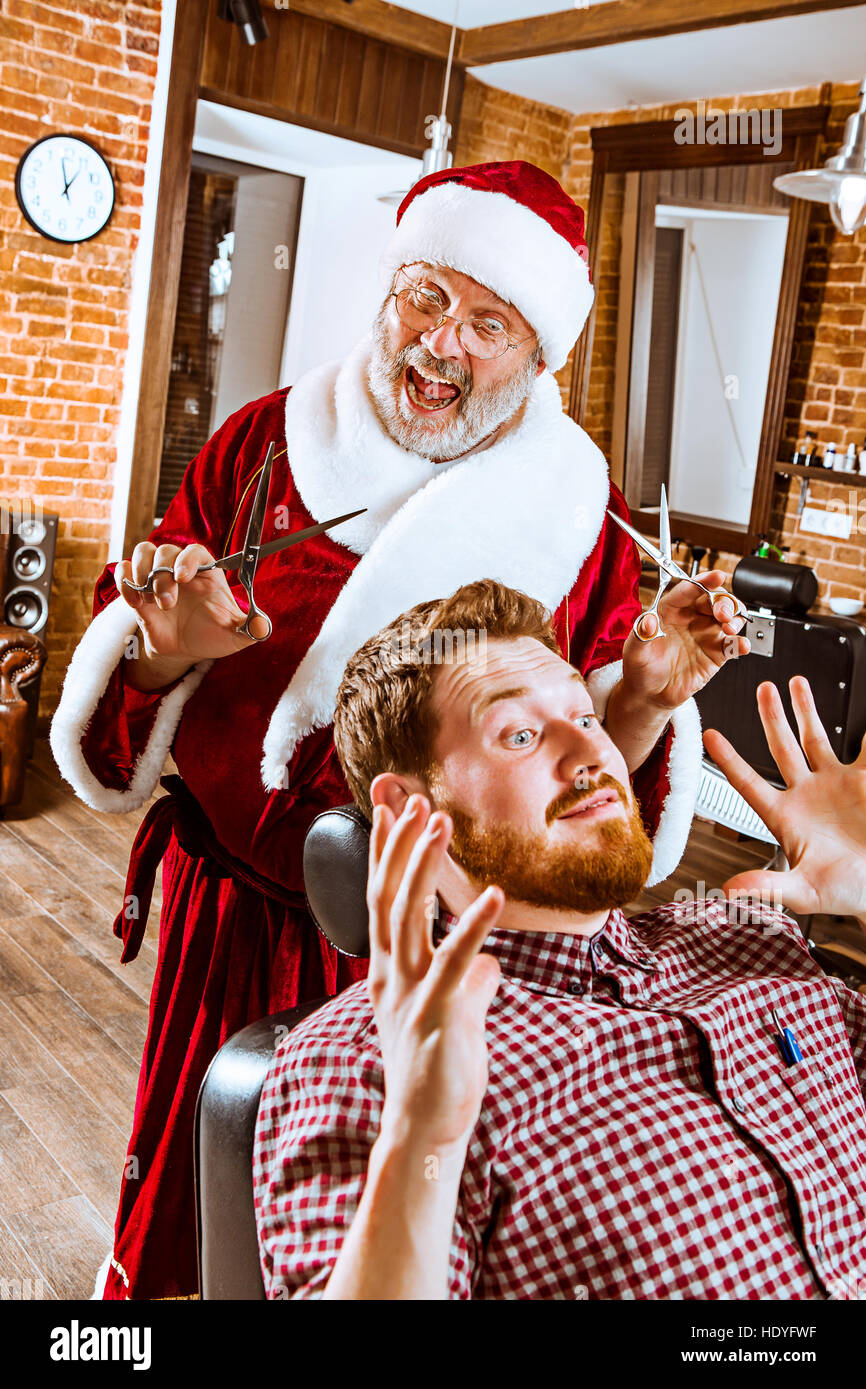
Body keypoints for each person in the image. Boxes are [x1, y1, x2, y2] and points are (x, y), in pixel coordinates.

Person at [49, 161, 745, 1300]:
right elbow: (124, 689)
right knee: (198, 1207)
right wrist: (161, 644)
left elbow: (588, 781)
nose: (441, 343)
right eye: (425, 296)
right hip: (233, 916)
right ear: (385, 298)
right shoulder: (263, 444)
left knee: (398, 1217)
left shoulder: (577, 519)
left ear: (535, 357)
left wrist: (644, 698)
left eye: (487, 322)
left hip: (445, 947)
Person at [254, 579, 866, 1301]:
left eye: (585, 715)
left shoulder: (740, 937)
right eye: (520, 733)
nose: (592, 752)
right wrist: (425, 1136)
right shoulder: (368, 1066)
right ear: (407, 804)